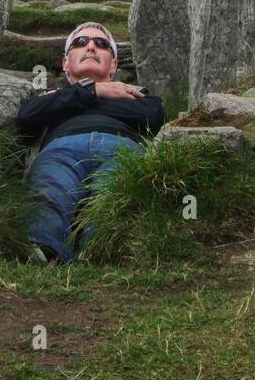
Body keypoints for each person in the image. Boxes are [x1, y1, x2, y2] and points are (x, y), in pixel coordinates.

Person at [15, 20, 165, 263]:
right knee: (50, 187)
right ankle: (44, 250)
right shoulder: (49, 95)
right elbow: (26, 117)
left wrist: (77, 100)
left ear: (114, 64)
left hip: (122, 148)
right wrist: (96, 91)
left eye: (102, 44)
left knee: (112, 193)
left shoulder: (137, 93)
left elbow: (153, 115)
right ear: (65, 63)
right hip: (61, 150)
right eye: (81, 42)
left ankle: (98, 252)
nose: (91, 47)